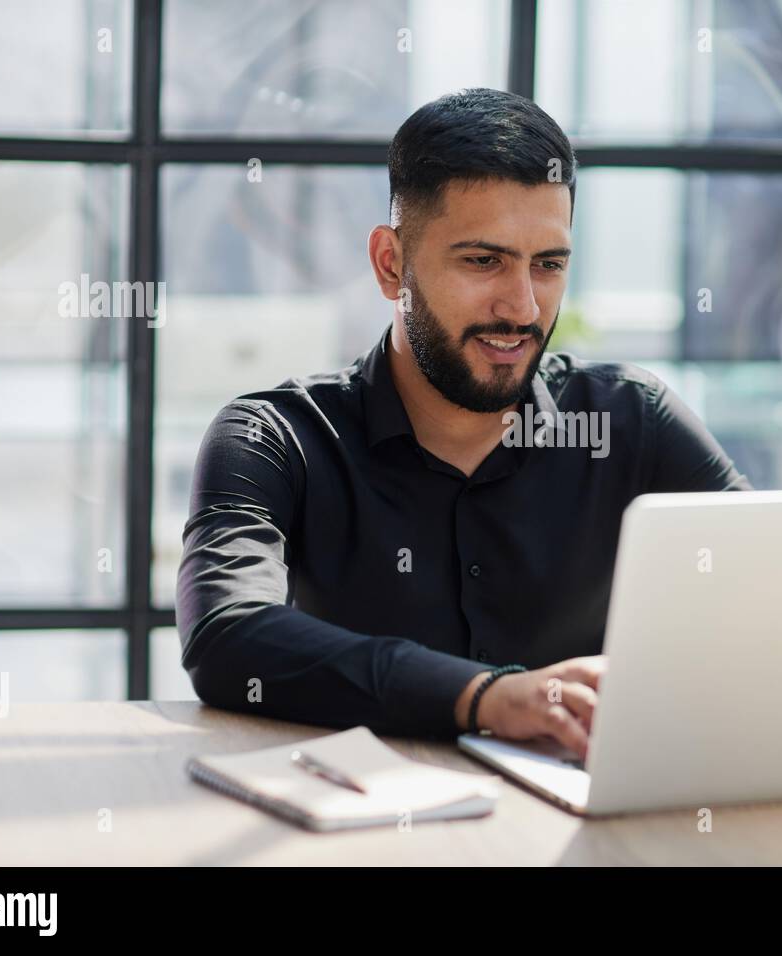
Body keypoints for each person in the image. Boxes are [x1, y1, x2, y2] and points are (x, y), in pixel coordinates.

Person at [176, 88, 750, 761]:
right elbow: (226, 635)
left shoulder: (633, 421)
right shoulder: (274, 438)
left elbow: (775, 590)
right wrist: (485, 698)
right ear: (392, 265)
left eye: (549, 264)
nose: (522, 306)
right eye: (484, 261)